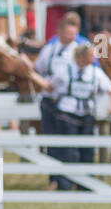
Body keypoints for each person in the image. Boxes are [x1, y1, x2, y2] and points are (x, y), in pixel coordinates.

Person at [48, 42, 111, 191]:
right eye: (91, 55)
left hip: (86, 116)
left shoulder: (95, 72)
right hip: (67, 114)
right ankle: (64, 184)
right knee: (68, 151)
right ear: (81, 56)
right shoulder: (65, 70)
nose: (94, 58)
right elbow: (50, 86)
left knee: (87, 151)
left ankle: (86, 185)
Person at [35, 12, 88, 188]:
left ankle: (72, 180)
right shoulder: (49, 49)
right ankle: (54, 179)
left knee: (71, 146)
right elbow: (39, 69)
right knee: (52, 143)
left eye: (73, 34)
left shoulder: (80, 49)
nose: (70, 37)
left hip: (70, 104)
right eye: (67, 34)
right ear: (59, 32)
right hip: (50, 102)